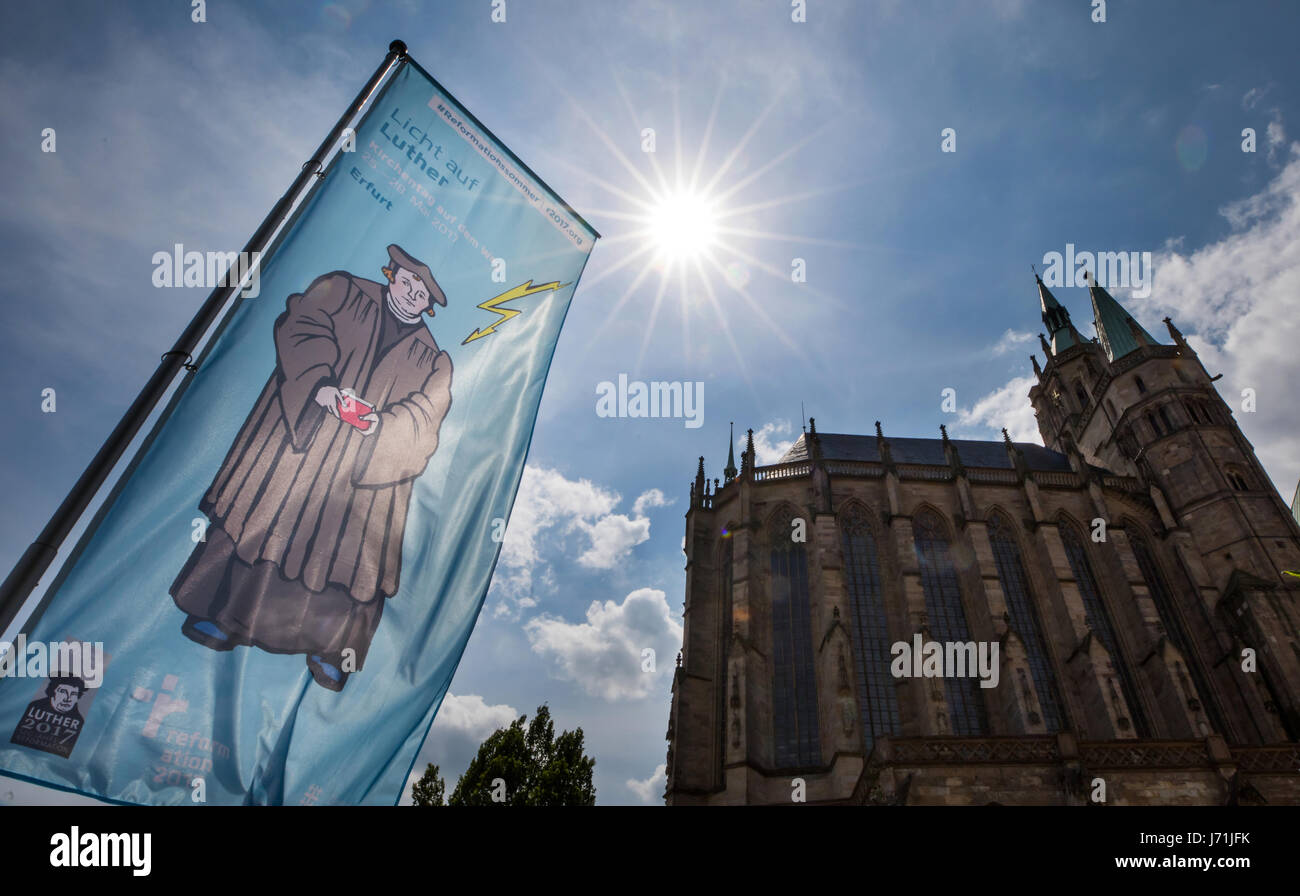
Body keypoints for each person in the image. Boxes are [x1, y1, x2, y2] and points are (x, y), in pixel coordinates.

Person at [171, 244, 454, 692]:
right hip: (302, 446)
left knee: (351, 557)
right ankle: (221, 616)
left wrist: (379, 424)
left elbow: (426, 418)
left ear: (430, 306)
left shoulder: (434, 360)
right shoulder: (342, 290)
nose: (412, 295)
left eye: (423, 294)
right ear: (391, 274)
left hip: (366, 478)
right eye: (408, 282)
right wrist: (321, 388)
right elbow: (301, 323)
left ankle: (331, 652)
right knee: (264, 517)